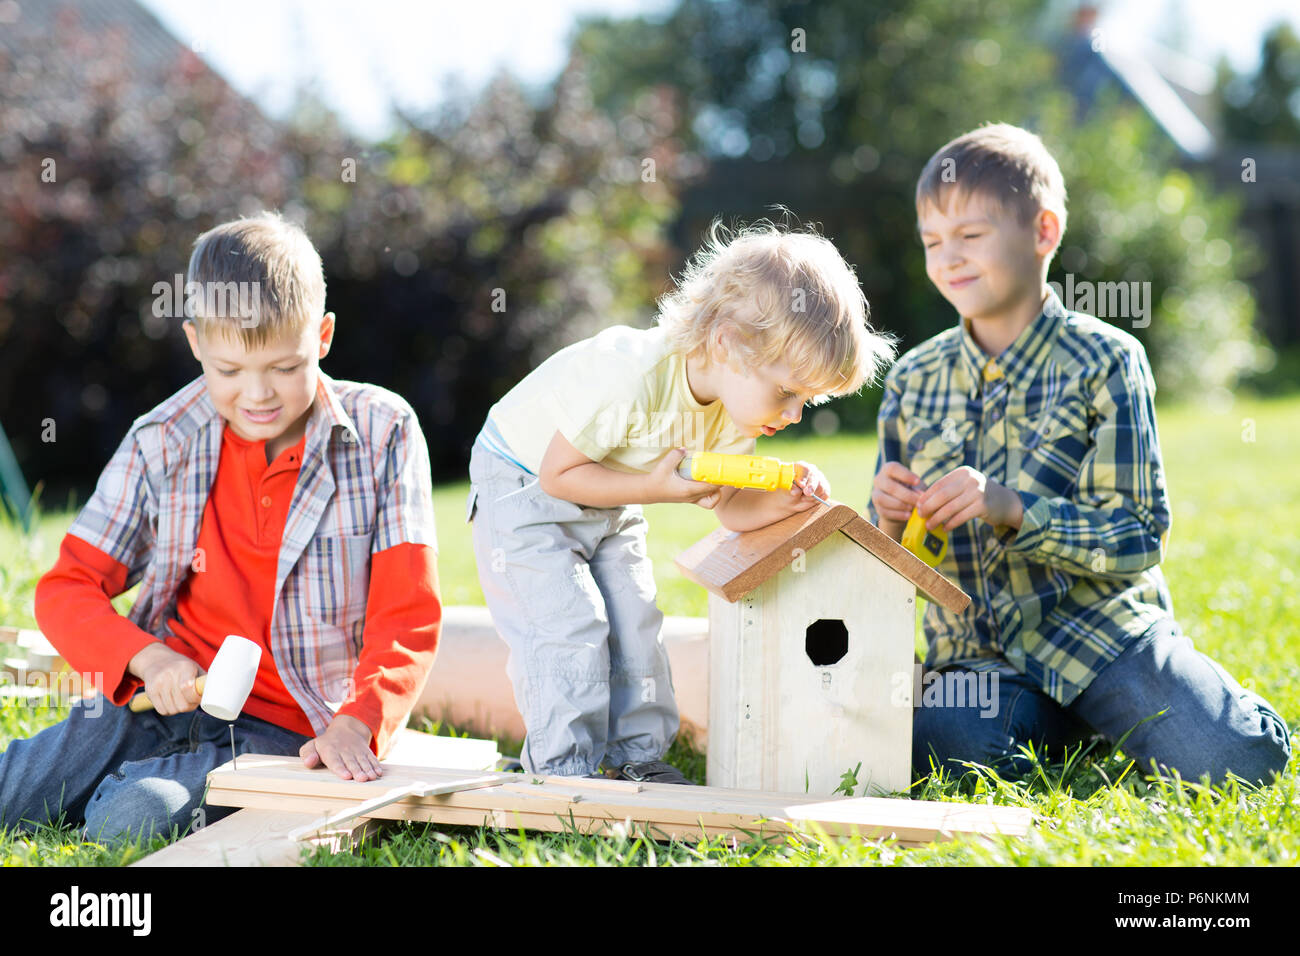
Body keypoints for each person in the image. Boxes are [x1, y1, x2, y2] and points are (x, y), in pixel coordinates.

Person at [869, 123, 1290, 786]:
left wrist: (1012, 508)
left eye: (970, 236)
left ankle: (1184, 704)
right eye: (932, 241)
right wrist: (888, 523)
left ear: (1042, 231)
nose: (947, 257)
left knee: (1237, 762)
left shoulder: (1107, 362)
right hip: (980, 657)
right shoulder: (911, 381)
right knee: (949, 747)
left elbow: (1138, 536)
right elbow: (898, 568)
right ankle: (1079, 732)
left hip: (1104, 636)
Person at [0, 212, 442, 842]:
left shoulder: (383, 434)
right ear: (195, 342)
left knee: (128, 821)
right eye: (230, 371)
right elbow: (66, 588)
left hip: (287, 729)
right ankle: (123, 768)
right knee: (11, 791)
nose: (258, 395)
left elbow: (408, 615)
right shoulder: (163, 439)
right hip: (158, 700)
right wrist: (148, 659)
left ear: (322, 336)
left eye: (285, 368)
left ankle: (128, 788)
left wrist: (360, 721)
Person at [468, 220, 896, 782]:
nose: (793, 414)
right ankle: (562, 773)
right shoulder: (632, 375)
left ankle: (637, 761)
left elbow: (727, 507)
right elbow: (559, 475)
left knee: (637, 624)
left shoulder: (736, 409)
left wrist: (779, 498)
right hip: (523, 485)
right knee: (570, 627)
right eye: (787, 392)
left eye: (807, 401)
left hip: (610, 491)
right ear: (726, 343)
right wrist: (656, 489)